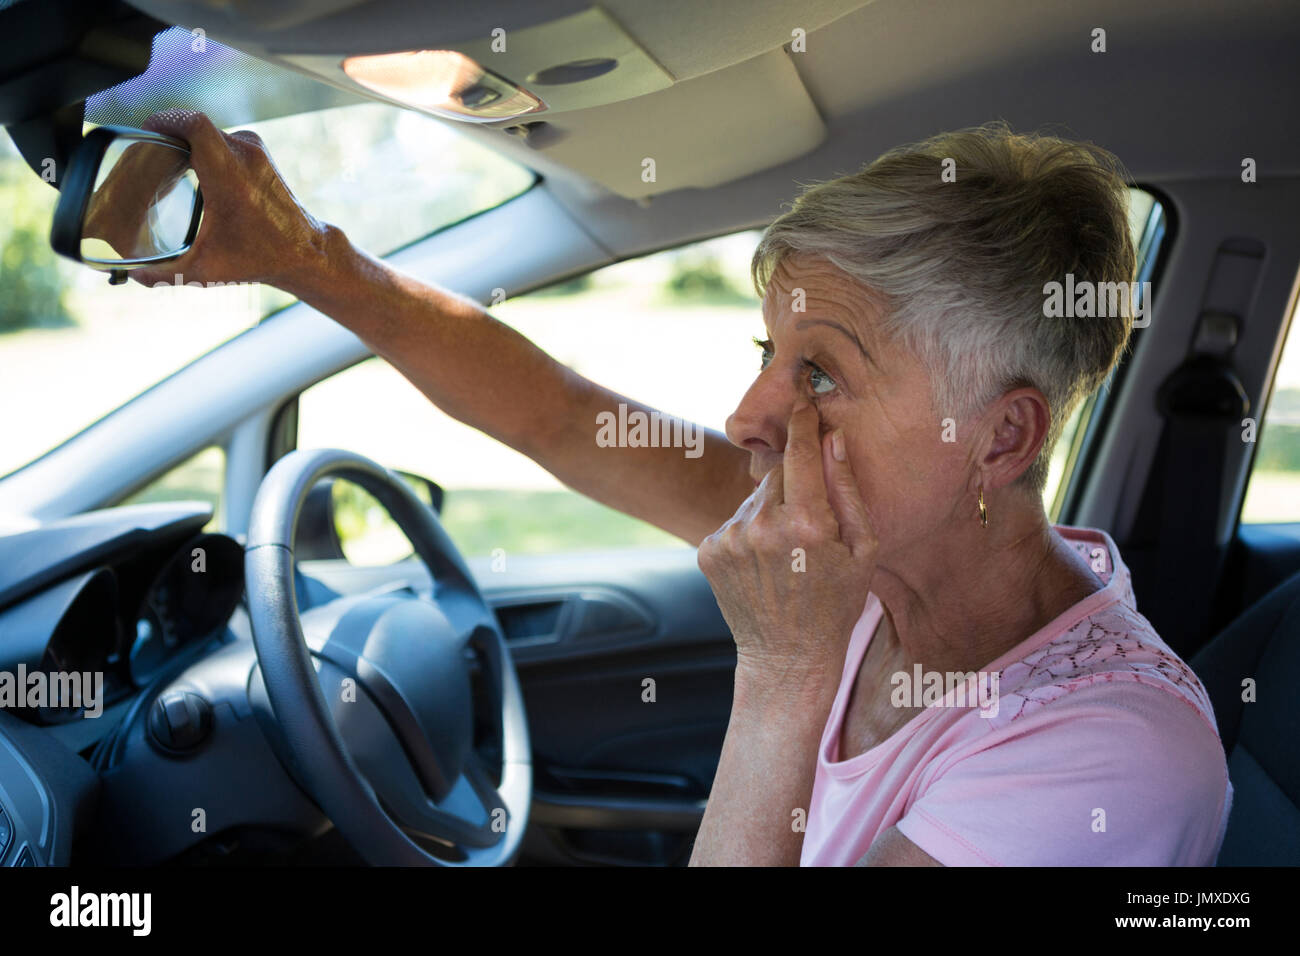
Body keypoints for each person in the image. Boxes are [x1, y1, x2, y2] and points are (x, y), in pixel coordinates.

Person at [132, 110, 1232, 866]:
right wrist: (303, 256)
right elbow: (556, 413)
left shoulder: (1113, 751)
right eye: (766, 349)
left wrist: (784, 667)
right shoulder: (871, 541)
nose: (751, 417)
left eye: (819, 373)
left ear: (1000, 437)